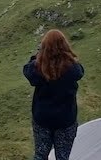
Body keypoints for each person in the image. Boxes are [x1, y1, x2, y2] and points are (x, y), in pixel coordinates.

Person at [23, 29, 85, 160]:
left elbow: (27, 71)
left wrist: (37, 55)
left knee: (40, 155)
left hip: (43, 119)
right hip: (65, 120)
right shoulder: (72, 68)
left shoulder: (38, 67)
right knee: (62, 157)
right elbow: (80, 71)